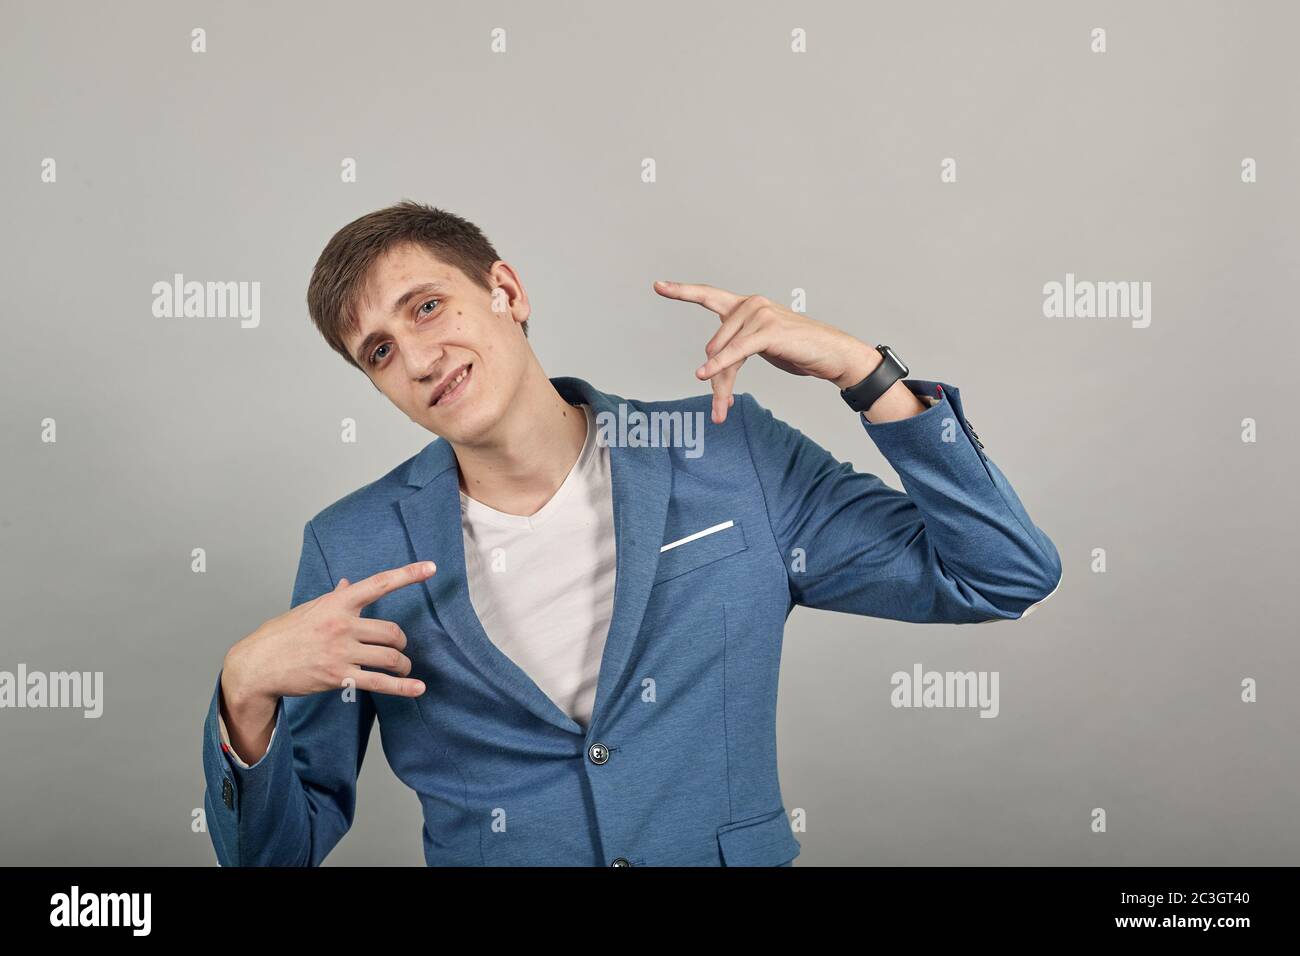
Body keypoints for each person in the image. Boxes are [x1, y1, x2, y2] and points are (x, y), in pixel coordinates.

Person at [201, 200, 1062, 867]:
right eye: (379, 352)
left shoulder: (727, 453)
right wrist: (245, 695)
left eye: (428, 307)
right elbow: (278, 853)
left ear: (506, 292)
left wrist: (866, 374)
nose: (419, 358)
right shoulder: (351, 547)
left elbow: (1000, 576)